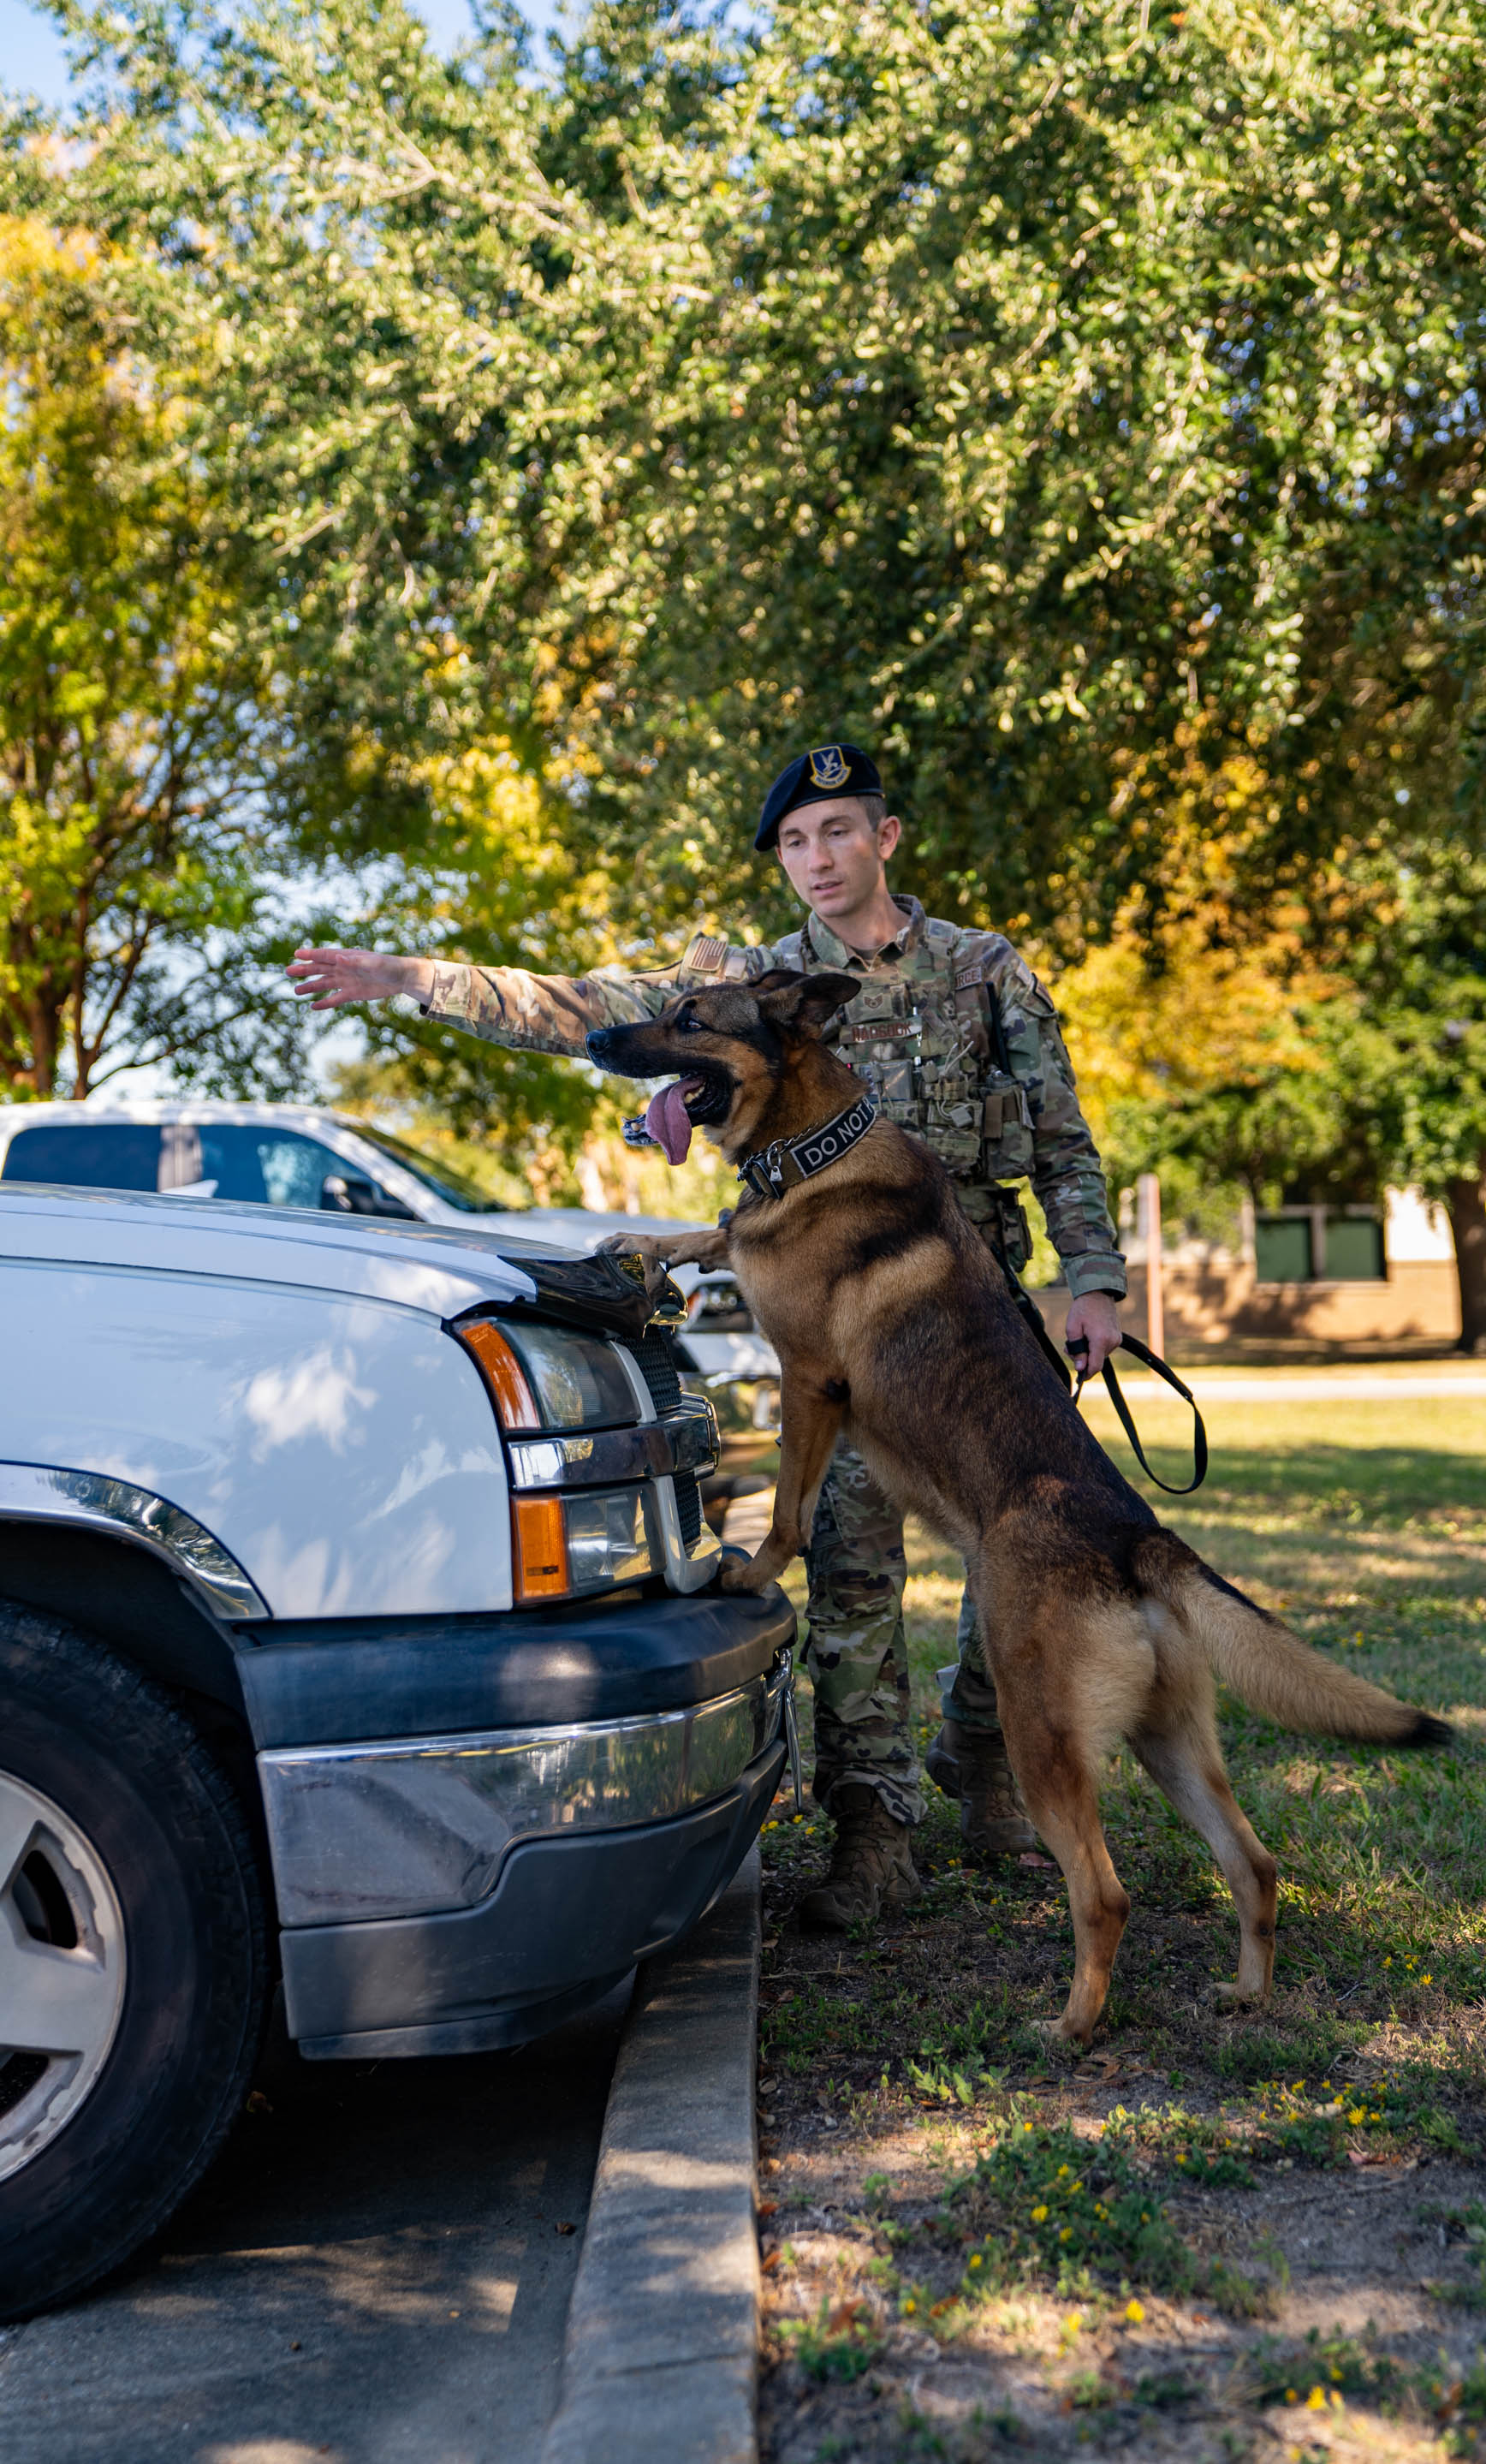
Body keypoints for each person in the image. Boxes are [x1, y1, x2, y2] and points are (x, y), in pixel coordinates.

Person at [287, 742, 1126, 1927]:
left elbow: (1060, 1137)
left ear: (885, 838)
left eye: (838, 831)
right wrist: (405, 976)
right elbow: (584, 1006)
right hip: (836, 1325)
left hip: (974, 1323)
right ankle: (873, 1827)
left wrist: (1095, 1282)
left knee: (1027, 1541)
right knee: (849, 1570)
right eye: (795, 842)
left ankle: (983, 1765)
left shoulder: (984, 969)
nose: (816, 859)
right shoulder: (749, 986)